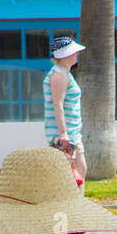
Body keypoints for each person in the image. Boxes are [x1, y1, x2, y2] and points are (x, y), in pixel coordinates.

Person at [44, 36, 86, 181]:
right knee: (71, 176)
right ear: (66, 55)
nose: (77, 54)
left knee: (80, 172)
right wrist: (63, 134)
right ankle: (74, 203)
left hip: (72, 133)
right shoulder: (59, 75)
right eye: (74, 52)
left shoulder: (65, 74)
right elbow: (58, 104)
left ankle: (79, 203)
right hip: (65, 136)